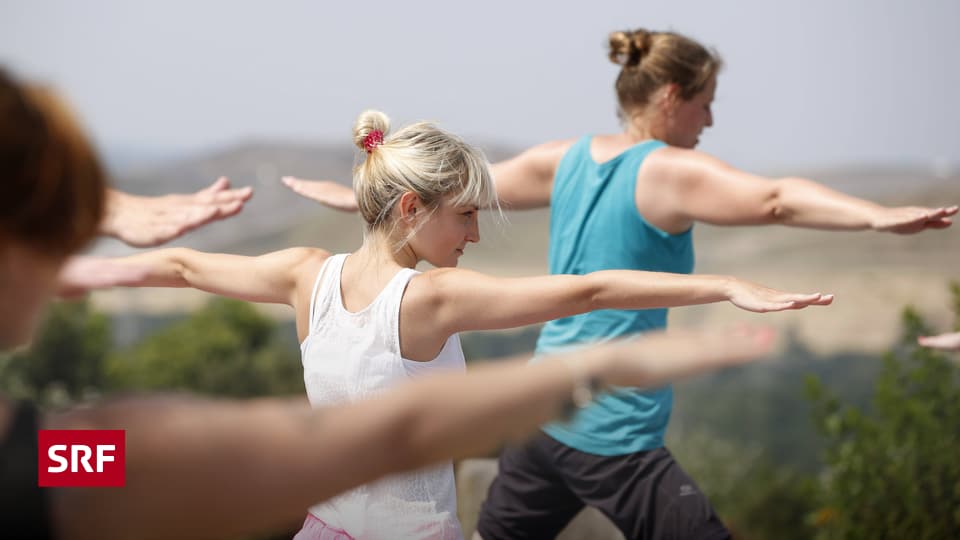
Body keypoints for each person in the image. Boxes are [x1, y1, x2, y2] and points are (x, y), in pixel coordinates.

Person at [0, 68, 783, 540]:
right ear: (411, 208)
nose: (477, 230)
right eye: (467, 212)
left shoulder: (305, 274)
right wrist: (708, 293)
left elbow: (175, 269)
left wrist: (99, 258)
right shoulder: (428, 298)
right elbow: (588, 290)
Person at [282, 29, 957, 540]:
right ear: (671, 99)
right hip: (610, 430)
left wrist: (358, 196)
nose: (710, 123)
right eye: (706, 105)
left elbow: (436, 196)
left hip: (543, 417)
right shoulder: (666, 171)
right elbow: (777, 200)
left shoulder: (562, 159)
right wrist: (877, 217)